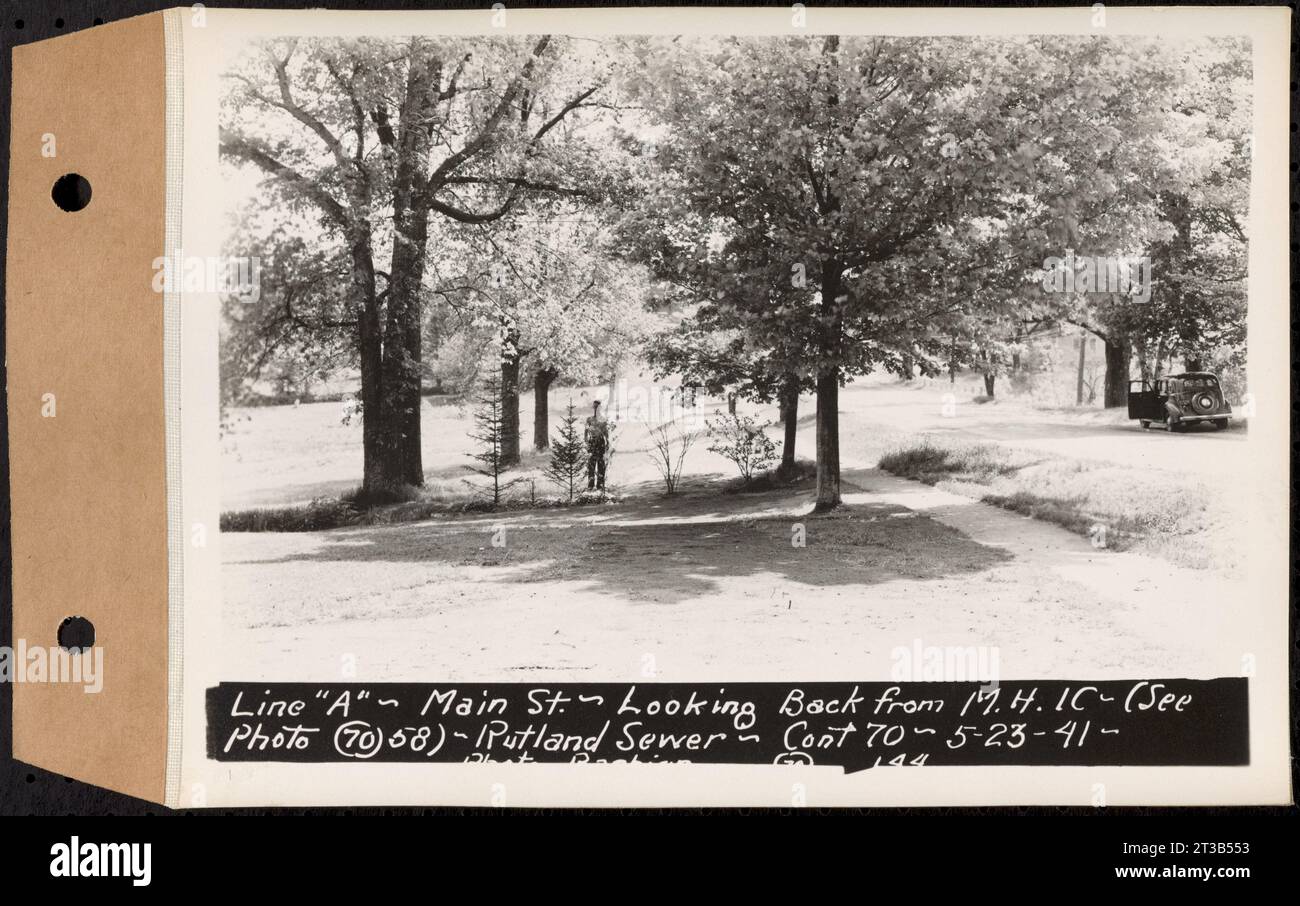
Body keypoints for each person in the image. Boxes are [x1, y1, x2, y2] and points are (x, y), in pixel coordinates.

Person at [584, 401, 610, 490]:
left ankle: (600, 486)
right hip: (592, 442)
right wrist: (586, 442)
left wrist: (607, 443)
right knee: (591, 464)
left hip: (600, 442)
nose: (596, 410)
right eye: (594, 407)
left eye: (598, 408)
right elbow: (586, 432)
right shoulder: (589, 419)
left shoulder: (603, 420)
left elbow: (606, 433)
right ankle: (590, 486)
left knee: (601, 464)